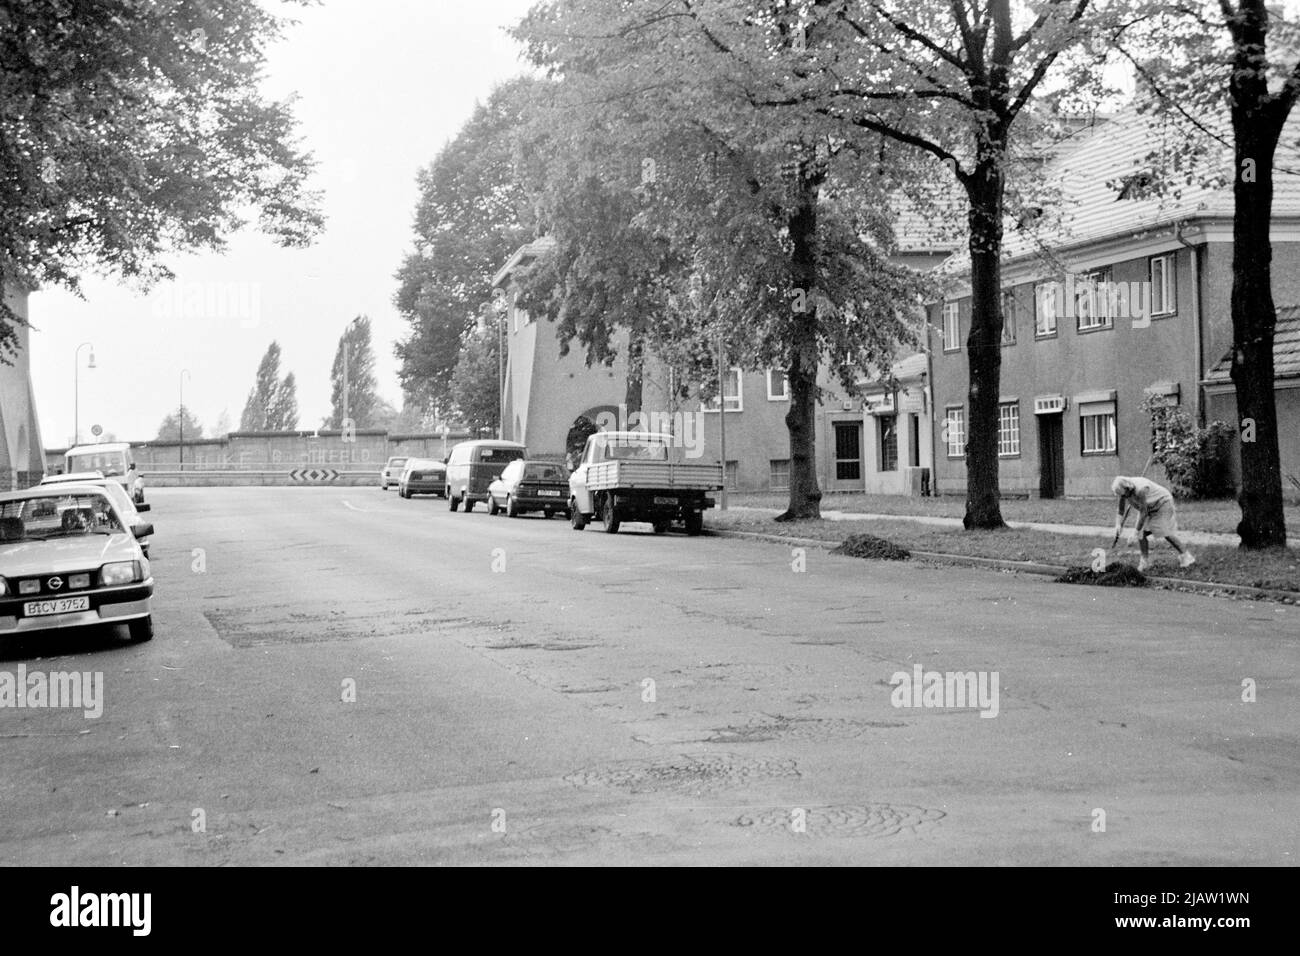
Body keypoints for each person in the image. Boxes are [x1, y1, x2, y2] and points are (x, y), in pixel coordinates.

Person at [1112, 476, 1196, 572]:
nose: (1123, 498)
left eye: (1124, 495)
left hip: (1162, 503)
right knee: (1141, 533)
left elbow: (1143, 512)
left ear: (1128, 488)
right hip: (1148, 507)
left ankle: (1186, 556)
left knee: (1163, 530)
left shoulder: (1140, 489)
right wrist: (1118, 525)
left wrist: (1135, 533)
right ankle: (1144, 562)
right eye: (1121, 496)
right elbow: (1121, 509)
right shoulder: (1122, 491)